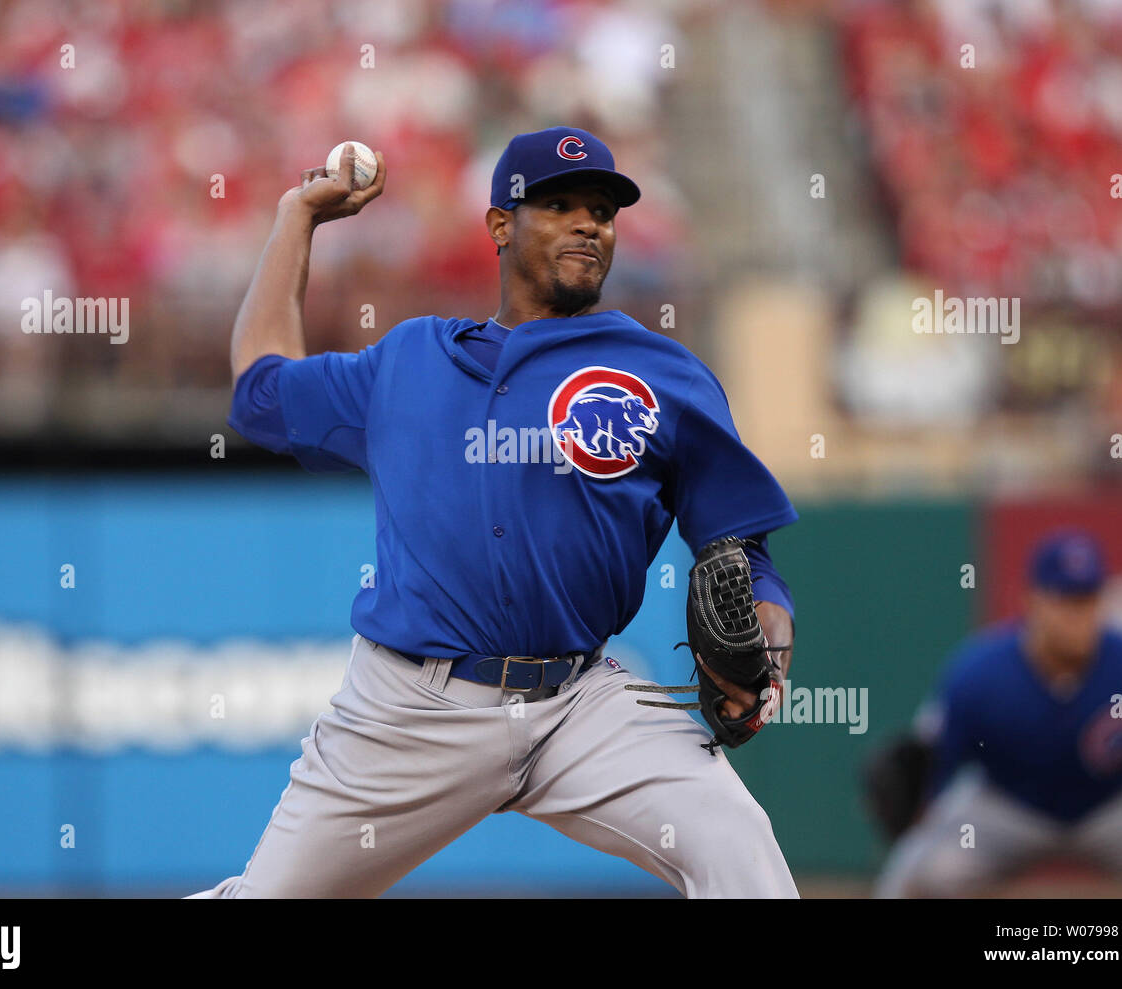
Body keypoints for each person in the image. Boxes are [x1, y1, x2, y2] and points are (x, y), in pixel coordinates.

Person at [196, 127, 800, 898]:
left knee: (737, 840)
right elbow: (261, 392)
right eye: (559, 204)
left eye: (602, 211)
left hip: (581, 702)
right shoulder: (408, 362)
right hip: (412, 707)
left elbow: (743, 549)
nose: (588, 224)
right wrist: (296, 216)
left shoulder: (663, 374)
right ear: (500, 225)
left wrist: (771, 648)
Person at [875, 530, 1122, 897]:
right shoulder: (979, 672)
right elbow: (935, 759)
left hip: (1113, 808)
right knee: (924, 872)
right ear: (1032, 600)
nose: (1079, 615)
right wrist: (923, 810)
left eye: (1088, 599)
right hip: (1006, 810)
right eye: (1065, 600)